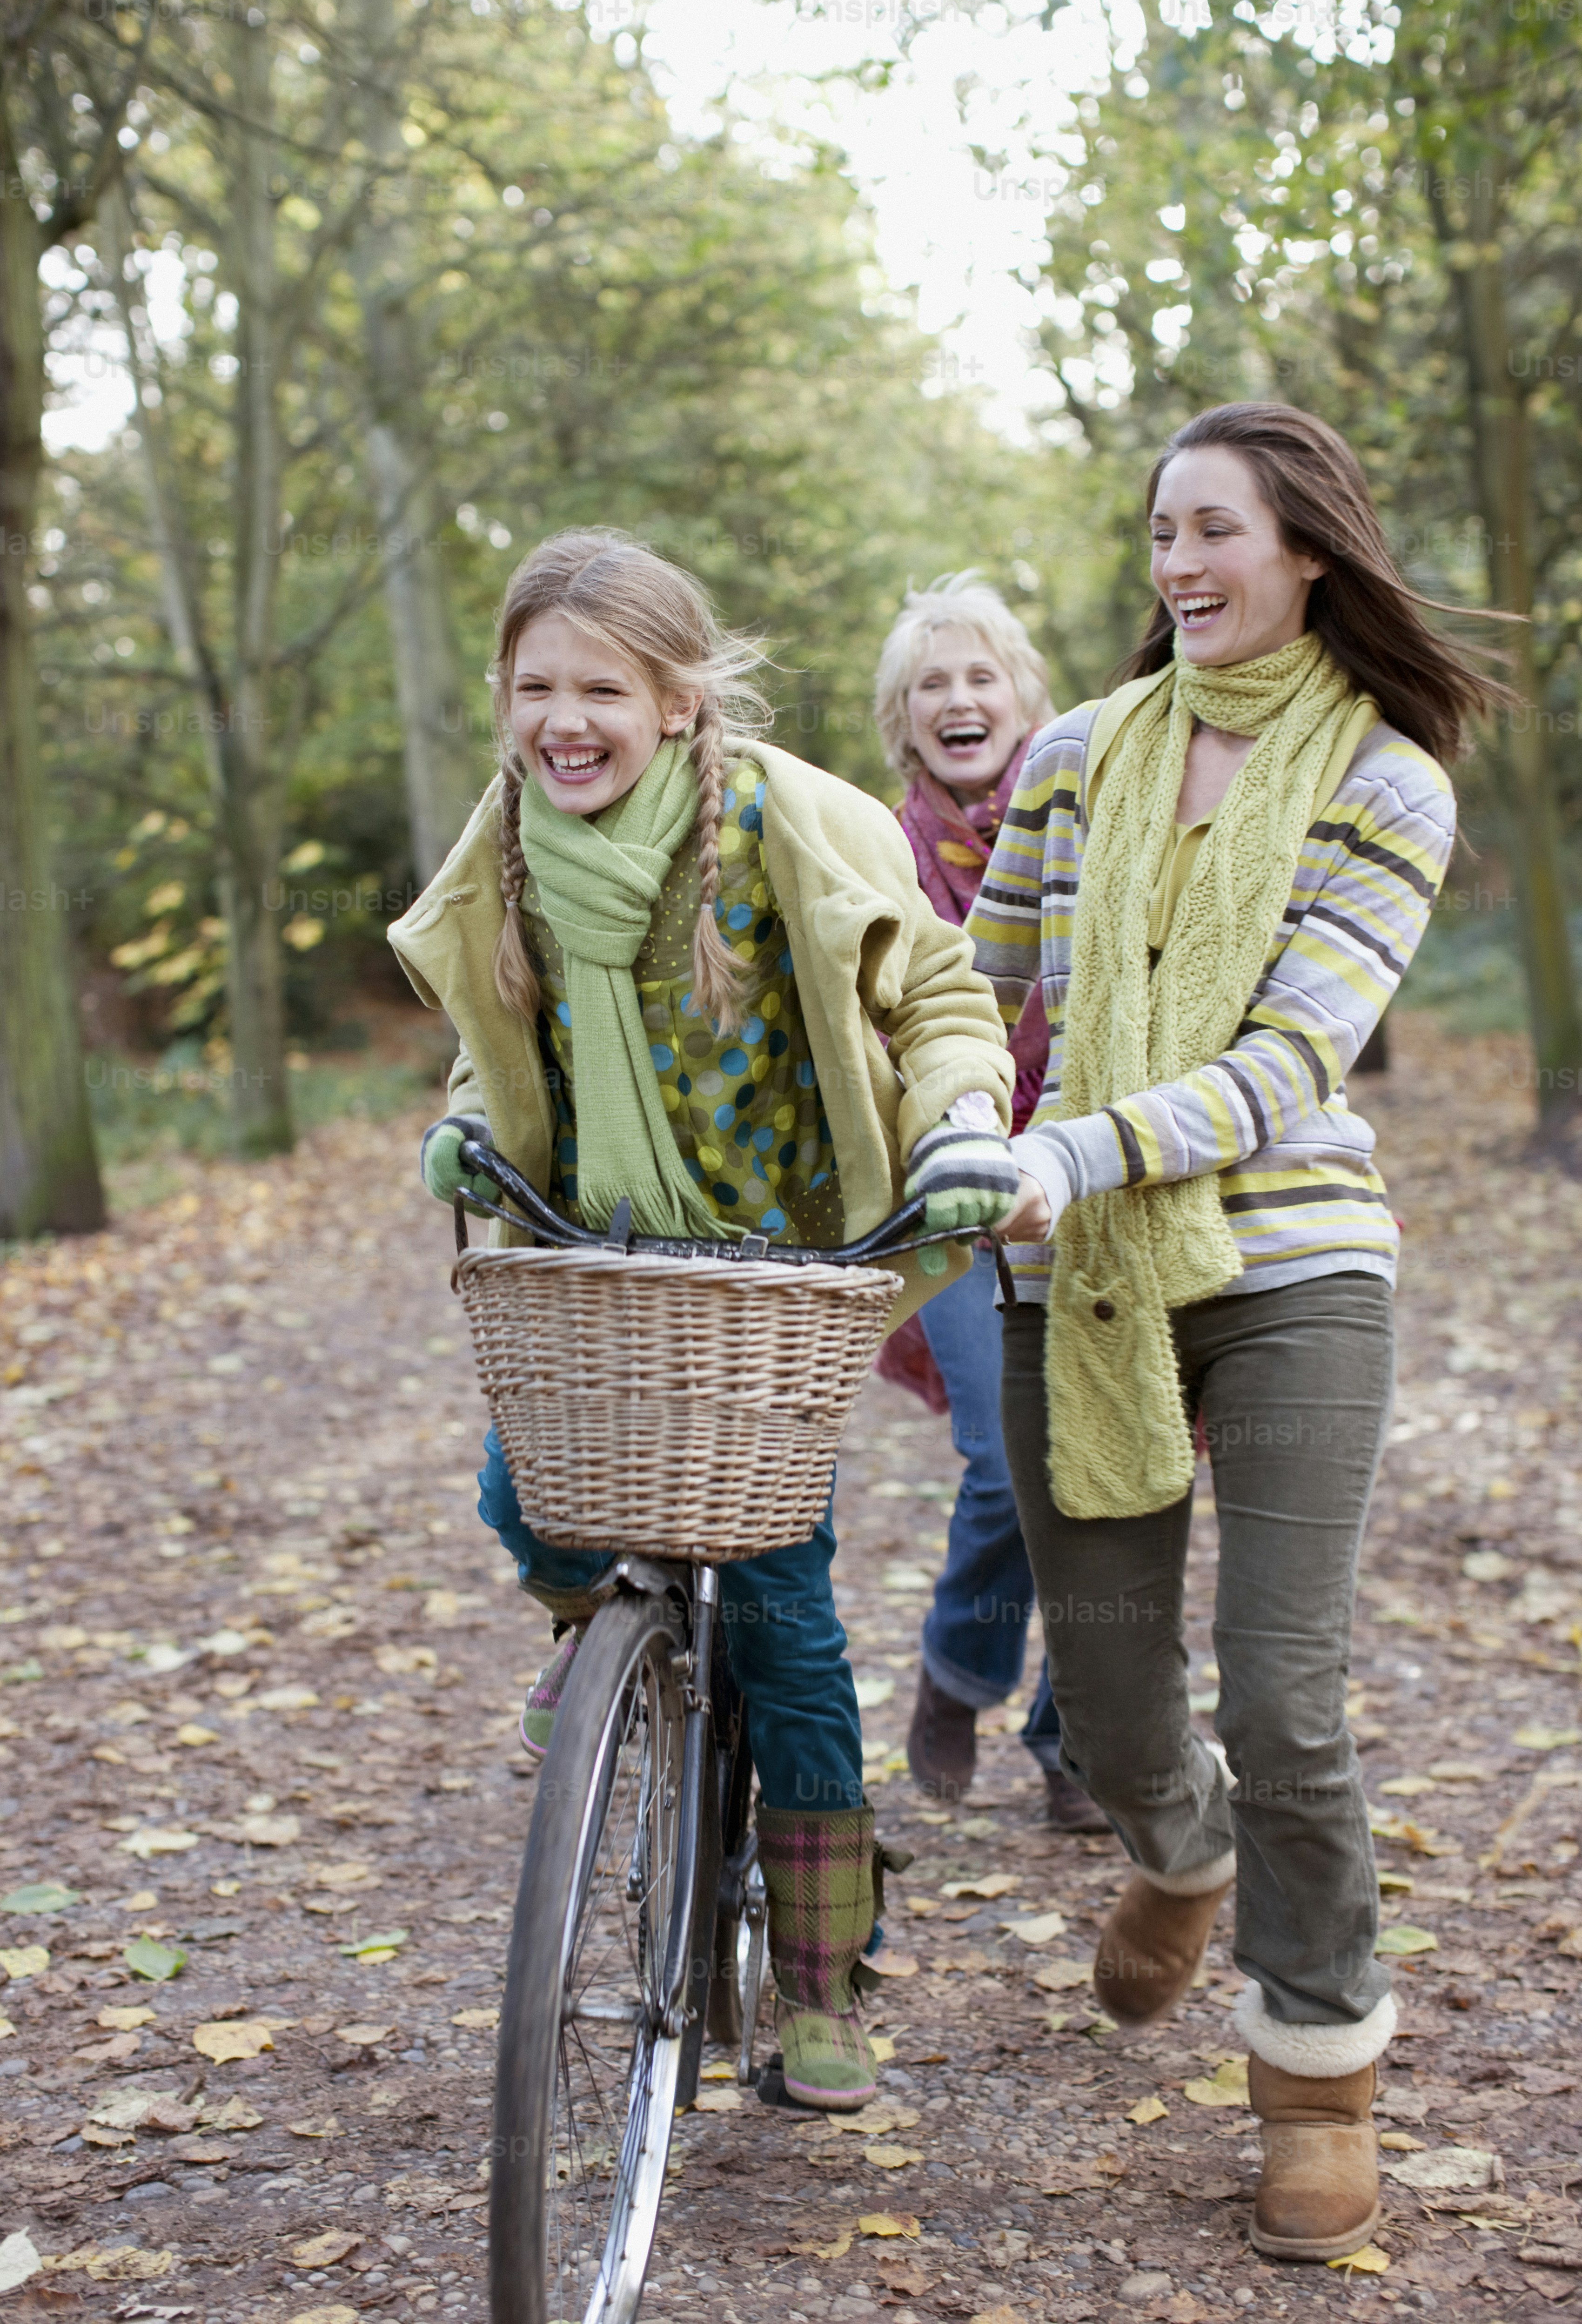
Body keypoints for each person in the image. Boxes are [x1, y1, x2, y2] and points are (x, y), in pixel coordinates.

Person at [388, 529, 1020, 2113]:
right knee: (515, 1491)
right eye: (535, 686)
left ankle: (817, 1982)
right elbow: (500, 1032)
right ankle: (608, 1638)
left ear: (678, 698)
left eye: (602, 685)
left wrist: (959, 1117)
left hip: (781, 1270)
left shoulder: (787, 822)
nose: (565, 719)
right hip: (605, 1263)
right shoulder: (513, 841)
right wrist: (470, 1118)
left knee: (792, 1619)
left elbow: (938, 991)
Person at [973, 404, 1503, 2262]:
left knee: (1284, 1694)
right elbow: (985, 996)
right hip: (1074, 1269)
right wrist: (967, 1122)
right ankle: (1174, 1853)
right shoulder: (1072, 757)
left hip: (1293, 1271)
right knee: (1116, 1710)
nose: (1180, 567)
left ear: (1305, 549)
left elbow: (1290, 1063)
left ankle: (1313, 2075)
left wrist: (1078, 1145)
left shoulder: (1388, 774)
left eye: (1213, 530)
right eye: (1158, 535)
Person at [871, 574, 1107, 1832]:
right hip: (953, 1192)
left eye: (981, 676)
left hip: (1094, 1170)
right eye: (932, 684)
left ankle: (1073, 1739)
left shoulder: (1093, 816)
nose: (960, 700)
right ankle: (959, 1672)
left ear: (1027, 696)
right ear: (904, 722)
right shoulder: (878, 852)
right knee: (1006, 1458)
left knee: (1109, 1458)